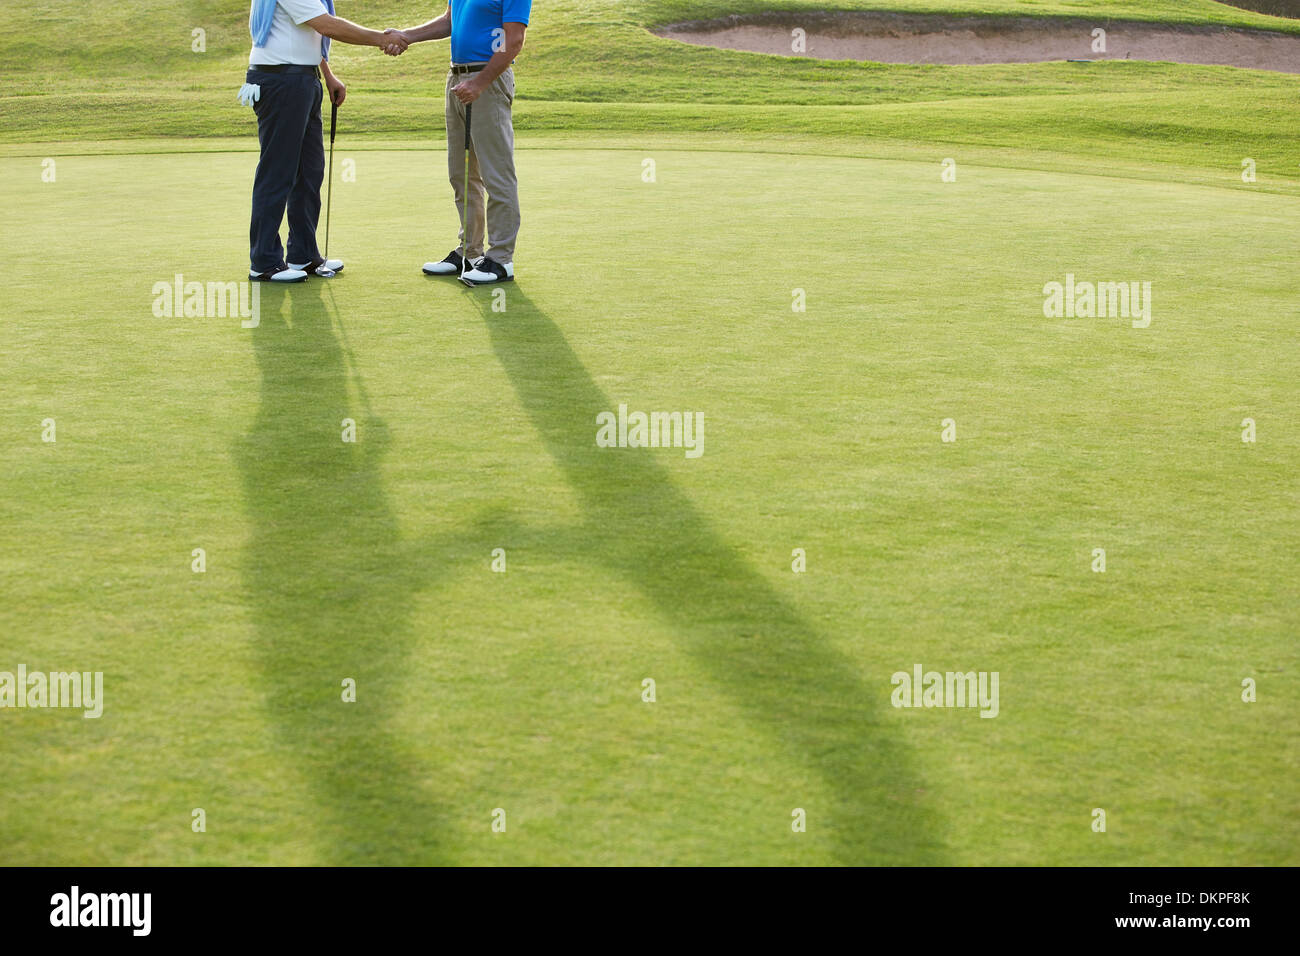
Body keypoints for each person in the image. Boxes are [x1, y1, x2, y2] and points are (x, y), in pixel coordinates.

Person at [240, 0, 410, 282]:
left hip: (303, 79)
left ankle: (302, 254)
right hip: (281, 81)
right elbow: (327, 25)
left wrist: (327, 76)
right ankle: (264, 261)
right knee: (278, 172)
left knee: (310, 172)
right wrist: (383, 39)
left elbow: (310, 32)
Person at [387, 1, 532, 285]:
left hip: (488, 80)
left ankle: (501, 259)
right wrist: (407, 35)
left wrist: (480, 83)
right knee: (462, 173)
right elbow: (449, 21)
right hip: (456, 78)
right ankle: (470, 252)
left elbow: (513, 39)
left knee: (496, 173)